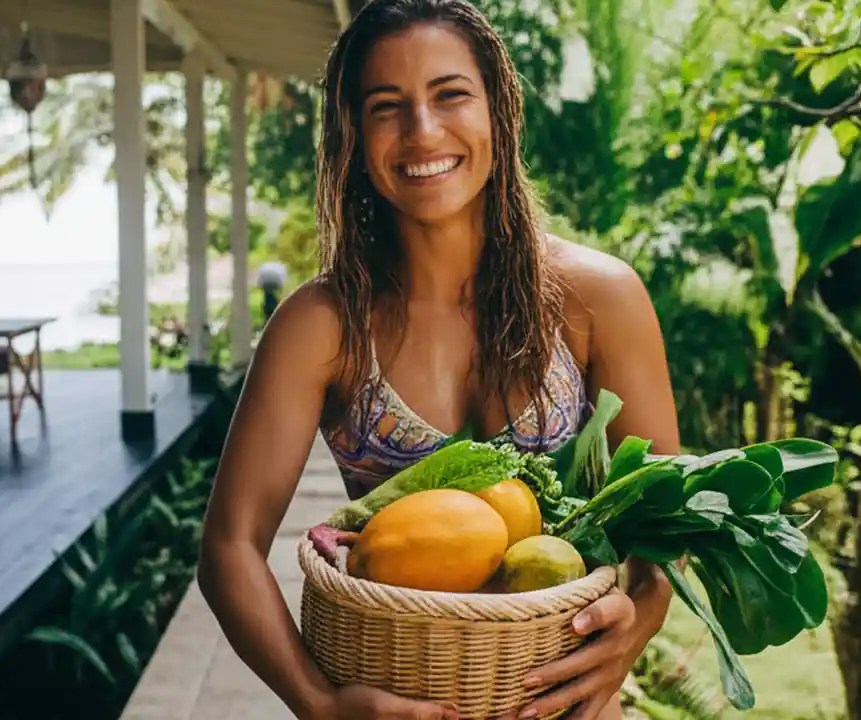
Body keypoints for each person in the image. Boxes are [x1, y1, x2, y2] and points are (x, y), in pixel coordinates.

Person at [197, 1, 678, 718]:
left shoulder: (596, 299)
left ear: (498, 113)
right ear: (354, 137)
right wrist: (320, 706)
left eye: (450, 94)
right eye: (387, 107)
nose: (423, 131)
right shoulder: (322, 326)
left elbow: (667, 526)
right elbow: (230, 547)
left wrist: (637, 623)